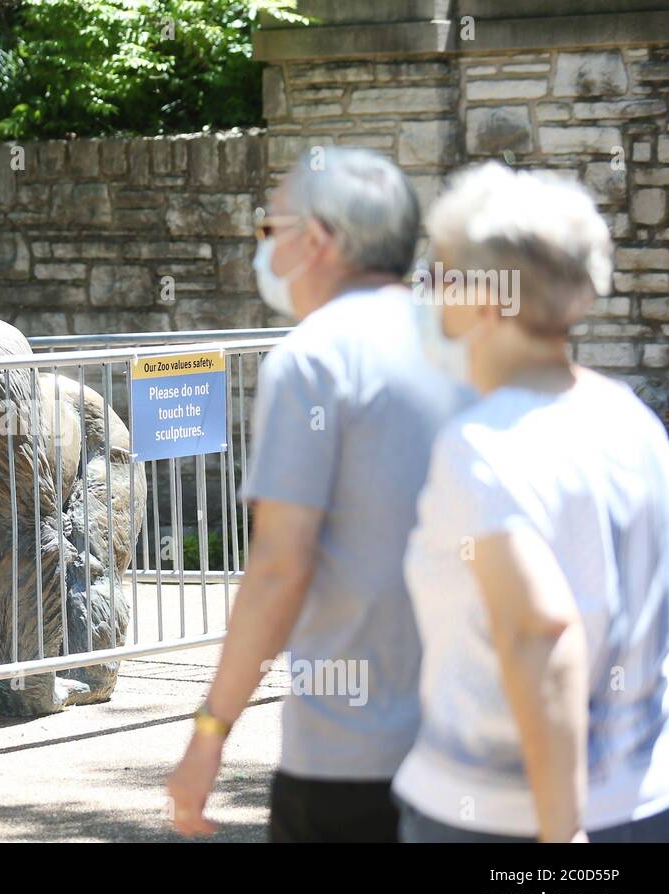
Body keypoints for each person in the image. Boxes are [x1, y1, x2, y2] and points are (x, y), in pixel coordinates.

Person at [166, 148, 468, 841]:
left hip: (349, 760)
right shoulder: (468, 343)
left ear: (321, 241)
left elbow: (280, 565)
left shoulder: (314, 359)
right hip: (471, 748)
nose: (264, 248)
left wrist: (211, 729)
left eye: (272, 228)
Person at [395, 162, 669, 843]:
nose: (425, 295)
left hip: (503, 820)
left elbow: (541, 634)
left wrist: (560, 841)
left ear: (487, 301)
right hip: (641, 799)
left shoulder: (482, 448)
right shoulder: (633, 421)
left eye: (439, 275)